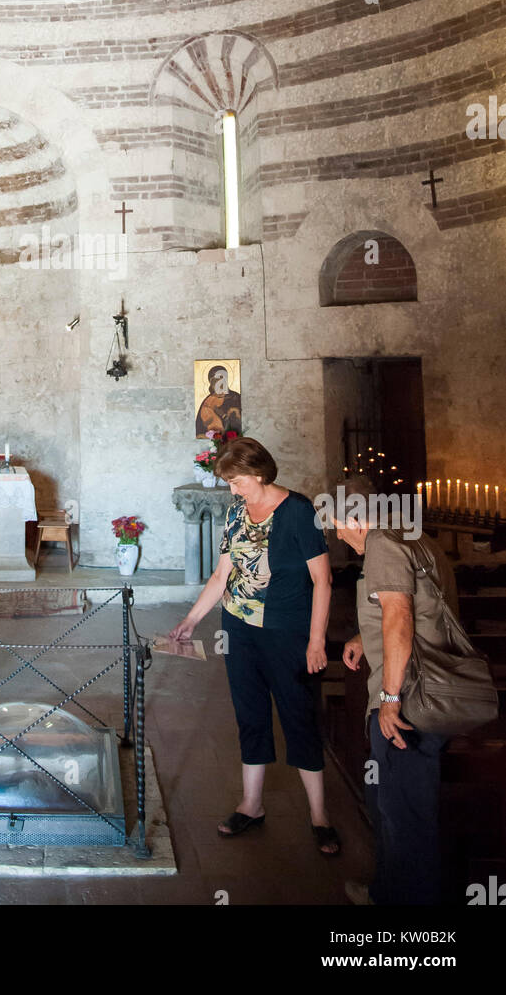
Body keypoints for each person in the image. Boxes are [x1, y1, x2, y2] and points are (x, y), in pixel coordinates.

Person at [169, 437, 339, 854]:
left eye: (237, 481)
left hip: (287, 630)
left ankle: (319, 815)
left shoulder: (299, 511)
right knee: (250, 713)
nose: (232, 489)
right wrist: (191, 620)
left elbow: (323, 580)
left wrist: (317, 640)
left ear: (260, 474)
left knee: (298, 715)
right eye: (229, 482)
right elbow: (219, 576)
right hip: (239, 630)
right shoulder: (236, 513)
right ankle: (252, 804)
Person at [334, 475, 458, 905]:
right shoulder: (415, 536)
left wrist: (389, 700)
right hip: (436, 690)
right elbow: (426, 609)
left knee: (404, 814)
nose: (337, 534)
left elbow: (400, 617)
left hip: (408, 699)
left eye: (337, 522)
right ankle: (384, 892)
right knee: (392, 801)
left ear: (357, 517)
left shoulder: (384, 545)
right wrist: (359, 638)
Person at [196, 365, 242, 437]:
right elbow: (200, 427)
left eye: (221, 378)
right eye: (215, 379)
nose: (218, 382)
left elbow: (239, 424)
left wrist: (224, 415)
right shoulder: (208, 400)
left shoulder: (235, 397)